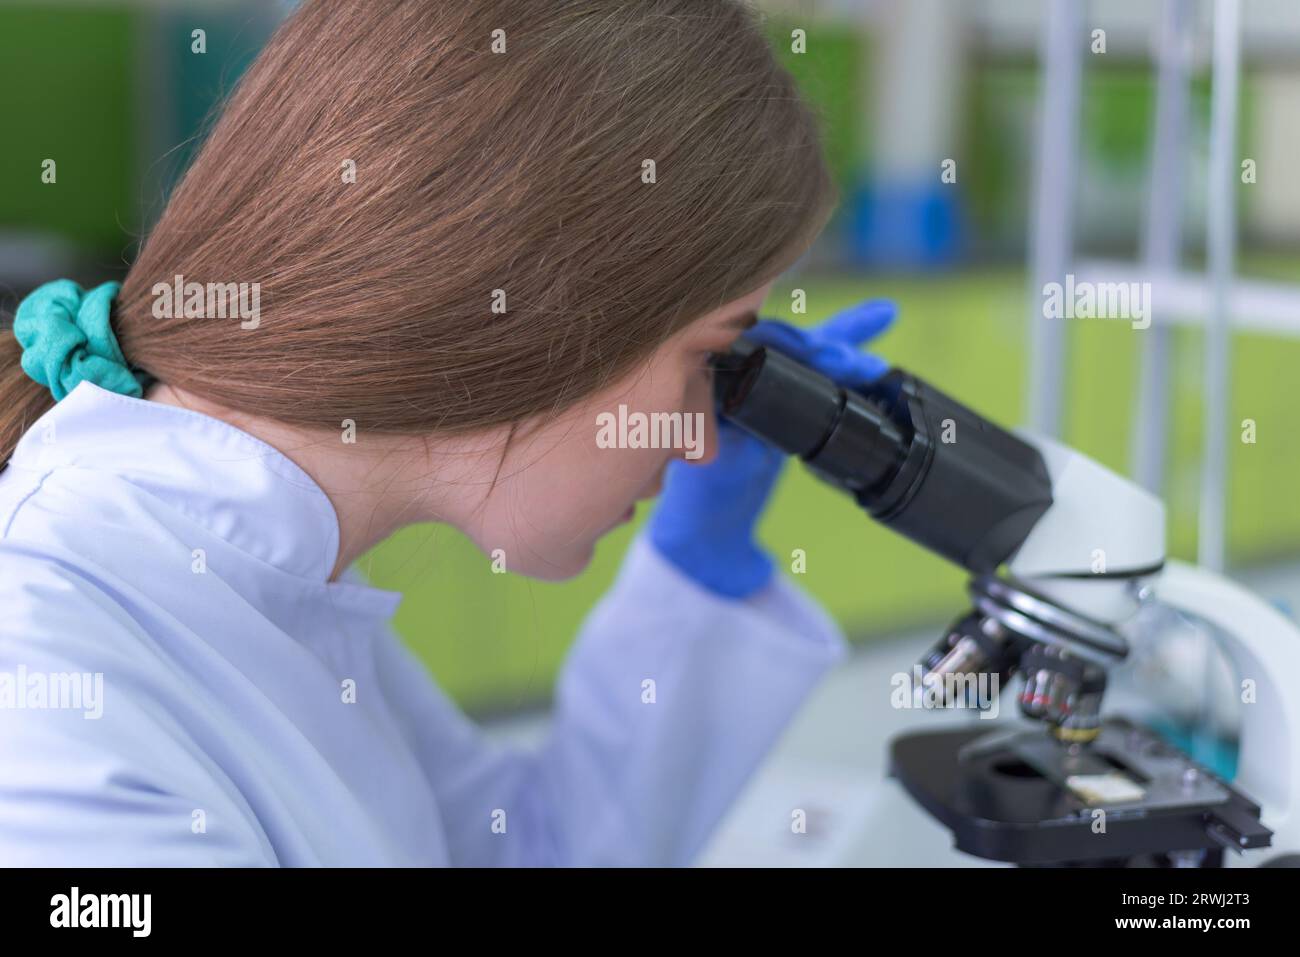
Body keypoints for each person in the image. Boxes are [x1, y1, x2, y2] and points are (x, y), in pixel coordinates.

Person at [0, 0, 895, 866]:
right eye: (710, 358)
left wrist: (700, 577)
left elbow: (518, 852)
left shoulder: (281, 582)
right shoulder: (49, 702)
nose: (702, 441)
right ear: (526, 313)